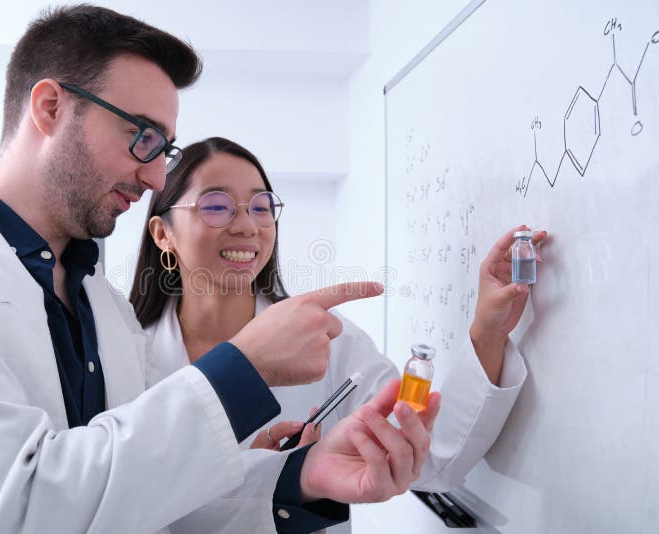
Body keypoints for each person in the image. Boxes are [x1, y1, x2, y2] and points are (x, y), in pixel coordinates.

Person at [0, 6, 441, 534]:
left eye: (163, 149)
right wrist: (243, 367)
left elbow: (132, 499)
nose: (157, 179)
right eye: (142, 138)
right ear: (50, 108)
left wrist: (301, 477)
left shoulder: (104, 307)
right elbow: (23, 505)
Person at [129, 136, 549, 532]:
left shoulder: (326, 338)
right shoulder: (126, 352)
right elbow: (119, 503)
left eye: (261, 207)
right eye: (217, 206)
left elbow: (432, 457)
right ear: (163, 233)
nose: (247, 226)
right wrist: (266, 475)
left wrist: (488, 329)